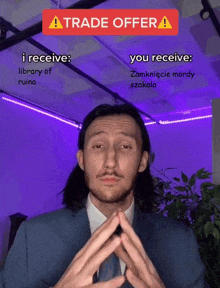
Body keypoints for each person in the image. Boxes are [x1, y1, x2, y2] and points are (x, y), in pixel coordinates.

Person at [3, 103, 206, 288]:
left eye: (125, 147)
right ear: (82, 160)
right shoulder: (34, 236)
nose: (110, 161)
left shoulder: (180, 241)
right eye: (98, 146)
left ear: (143, 162)